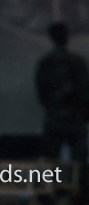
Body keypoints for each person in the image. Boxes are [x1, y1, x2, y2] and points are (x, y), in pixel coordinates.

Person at [33, 22, 89, 165]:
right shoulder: (76, 61)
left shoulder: (46, 62)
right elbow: (84, 91)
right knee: (78, 162)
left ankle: (57, 186)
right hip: (73, 119)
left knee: (53, 160)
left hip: (56, 118)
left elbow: (42, 93)